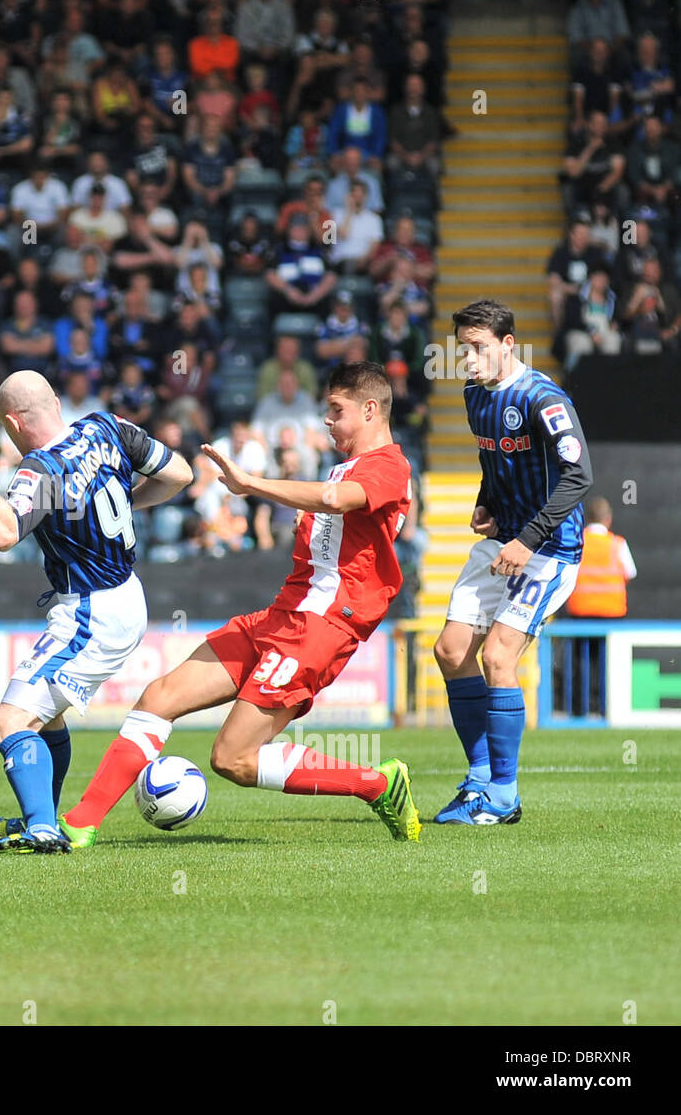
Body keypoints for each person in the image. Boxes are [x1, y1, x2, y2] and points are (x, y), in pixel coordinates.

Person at [58, 362, 419, 847]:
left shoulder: (389, 466)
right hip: (279, 617)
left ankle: (376, 784)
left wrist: (253, 485)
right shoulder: (345, 466)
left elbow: (336, 501)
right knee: (158, 697)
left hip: (321, 628)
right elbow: (337, 520)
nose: (327, 421)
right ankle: (80, 823)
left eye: (337, 410)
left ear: (371, 409)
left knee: (233, 759)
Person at [0, 372, 192, 853]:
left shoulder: (40, 470)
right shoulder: (106, 426)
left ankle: (42, 829)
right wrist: (130, 499)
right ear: (57, 402)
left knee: (8, 721)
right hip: (127, 594)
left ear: (12, 424)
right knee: (49, 717)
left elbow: (3, 535)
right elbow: (180, 475)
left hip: (90, 612)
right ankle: (40, 817)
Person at [431, 300, 592, 827]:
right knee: (452, 650)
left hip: (549, 549)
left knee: (499, 657)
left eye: (479, 348)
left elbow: (578, 476)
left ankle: (503, 796)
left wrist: (528, 539)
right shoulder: (474, 396)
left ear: (508, 344)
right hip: (504, 540)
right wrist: (486, 501)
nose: (469, 360)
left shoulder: (544, 397)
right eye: (463, 350)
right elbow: (492, 458)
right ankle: (479, 779)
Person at [565, 496, 635, 618]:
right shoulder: (617, 543)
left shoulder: (577, 542)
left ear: (588, 518)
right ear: (608, 519)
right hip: (612, 610)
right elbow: (630, 573)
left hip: (580, 610)